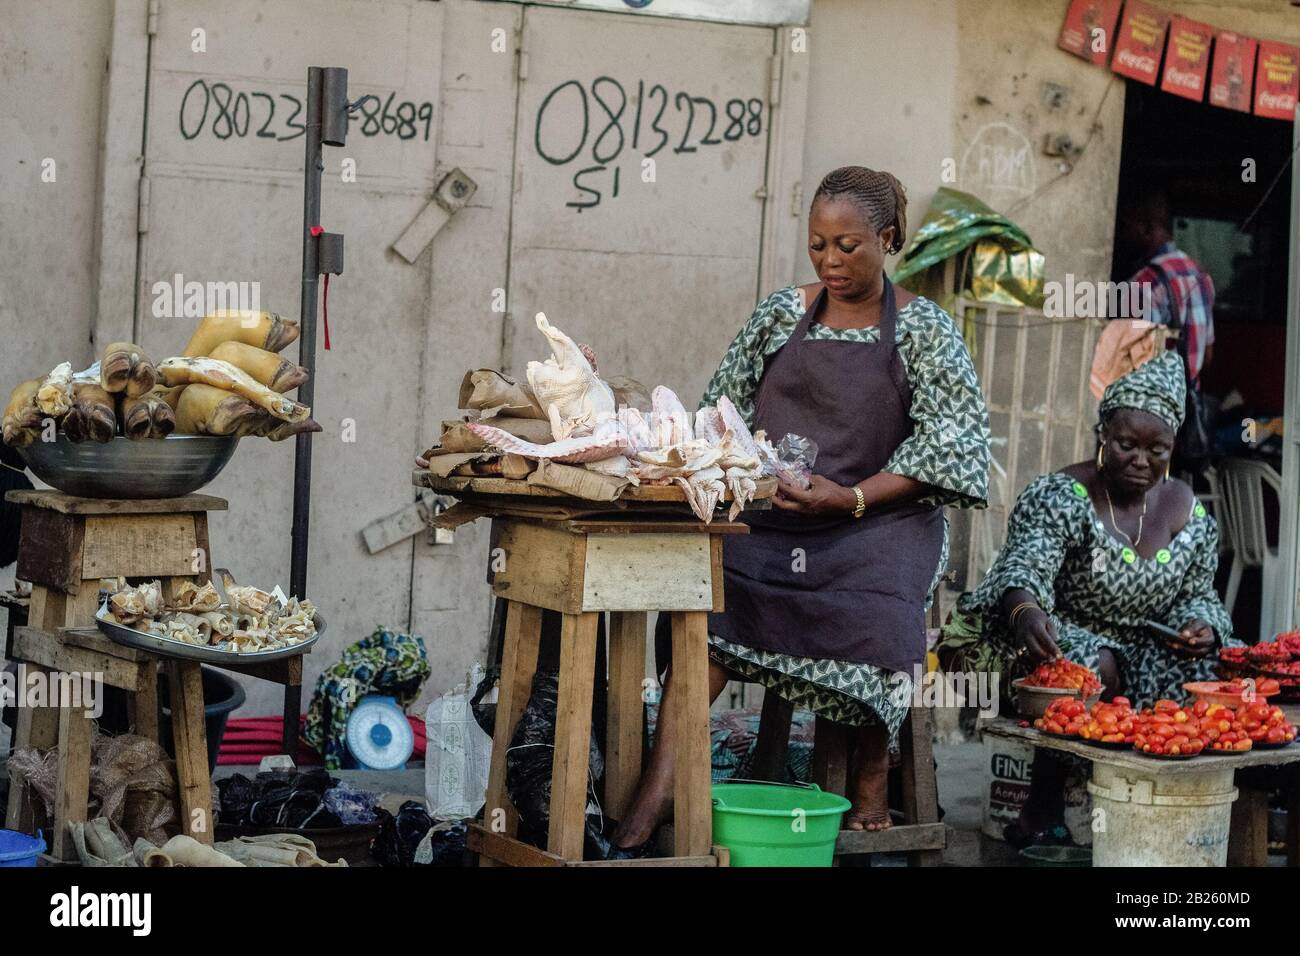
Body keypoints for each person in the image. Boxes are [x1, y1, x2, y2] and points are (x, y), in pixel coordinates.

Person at [609, 166, 990, 854]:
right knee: (713, 594)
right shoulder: (781, 314)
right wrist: (748, 467)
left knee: (881, 607)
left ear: (890, 239)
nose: (831, 261)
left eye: (848, 245)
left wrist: (849, 497)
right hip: (777, 513)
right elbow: (721, 409)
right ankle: (658, 789)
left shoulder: (926, 331)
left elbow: (953, 442)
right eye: (818, 245)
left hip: (877, 522)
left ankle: (871, 773)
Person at [943, 351, 1238, 845]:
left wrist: (1199, 627)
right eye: (1126, 444)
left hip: (1142, 644)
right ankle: (1043, 804)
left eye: (1157, 449)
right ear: (1103, 433)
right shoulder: (1061, 496)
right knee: (1092, 665)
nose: (1141, 461)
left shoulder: (1186, 509)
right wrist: (1027, 612)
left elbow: (1199, 595)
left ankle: (1157, 805)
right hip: (1041, 637)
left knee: (1209, 674)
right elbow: (1023, 569)